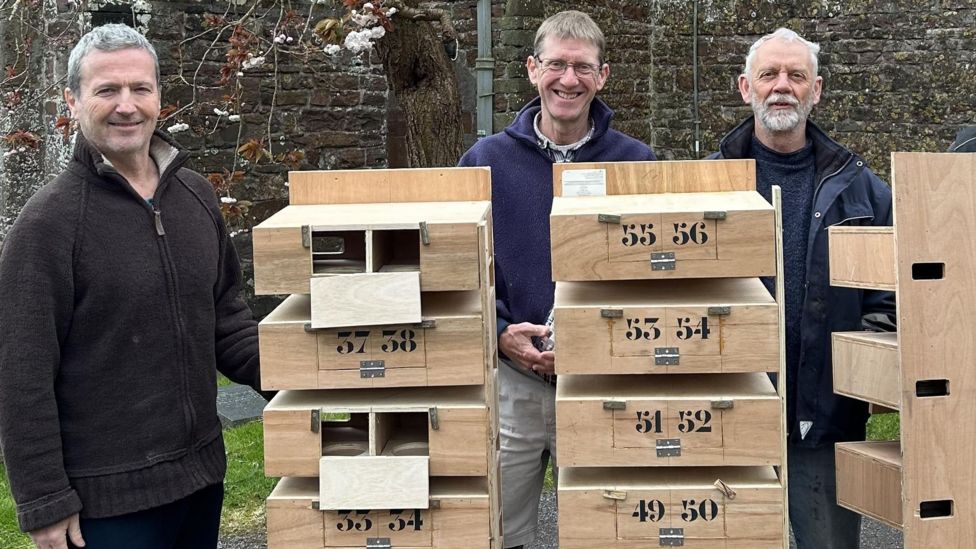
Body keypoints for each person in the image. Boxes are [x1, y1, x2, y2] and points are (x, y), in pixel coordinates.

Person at [0, 24, 265, 549]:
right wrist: (44, 502)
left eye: (140, 89)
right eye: (107, 90)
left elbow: (228, 323)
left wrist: (320, 379)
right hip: (107, 506)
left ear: (159, 97)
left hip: (201, 481)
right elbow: (20, 376)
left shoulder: (194, 196)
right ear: (73, 100)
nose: (127, 106)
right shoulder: (48, 227)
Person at [459, 11, 655, 548]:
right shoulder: (483, 162)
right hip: (510, 386)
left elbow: (655, 276)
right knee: (497, 533)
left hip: (604, 384)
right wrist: (500, 331)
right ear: (531, 69)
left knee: (607, 531)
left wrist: (592, 342)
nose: (569, 79)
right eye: (556, 65)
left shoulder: (636, 163)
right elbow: (459, 266)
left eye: (582, 67)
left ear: (603, 75)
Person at [710, 28, 895, 549]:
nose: (782, 86)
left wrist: (857, 369)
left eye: (796, 75)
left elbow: (890, 298)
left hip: (827, 421)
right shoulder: (713, 182)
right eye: (769, 75)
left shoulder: (863, 189)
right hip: (729, 417)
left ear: (817, 89)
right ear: (745, 87)